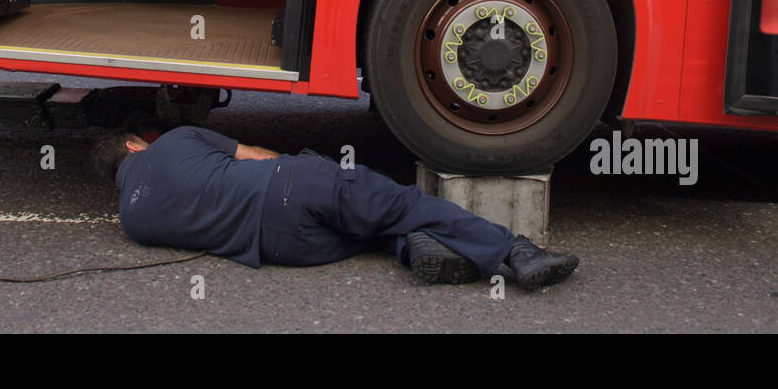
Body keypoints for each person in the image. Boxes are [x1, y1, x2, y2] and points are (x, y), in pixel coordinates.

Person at [91, 122, 579, 290]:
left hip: (283, 247)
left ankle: (410, 250)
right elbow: (256, 156)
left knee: (370, 230)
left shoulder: (132, 221)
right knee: (404, 203)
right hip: (288, 187)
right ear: (135, 145)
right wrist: (307, 173)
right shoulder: (175, 139)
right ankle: (516, 253)